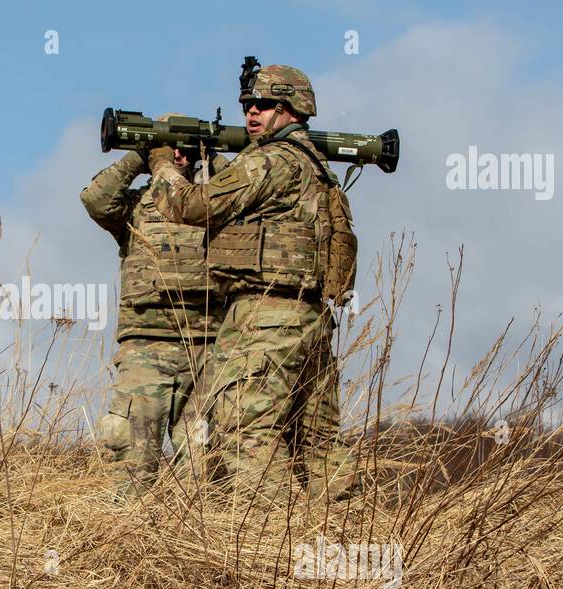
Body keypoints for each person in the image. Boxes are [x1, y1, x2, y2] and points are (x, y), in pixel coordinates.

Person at [147, 65, 359, 501]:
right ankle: (342, 536)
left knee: (244, 432)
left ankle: (265, 548)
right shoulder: (315, 167)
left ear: (292, 110)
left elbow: (192, 204)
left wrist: (162, 164)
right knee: (320, 445)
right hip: (311, 317)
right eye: (248, 105)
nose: (252, 113)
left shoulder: (269, 161)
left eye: (264, 105)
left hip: (266, 319)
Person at [81, 137, 228, 495]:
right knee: (132, 455)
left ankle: (194, 544)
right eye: (170, 148)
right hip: (145, 348)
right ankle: (123, 542)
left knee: (202, 460)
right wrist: (141, 155)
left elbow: (248, 192)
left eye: (186, 148)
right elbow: (96, 200)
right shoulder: (136, 206)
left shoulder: (212, 204)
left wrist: (213, 154)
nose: (178, 155)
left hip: (206, 346)